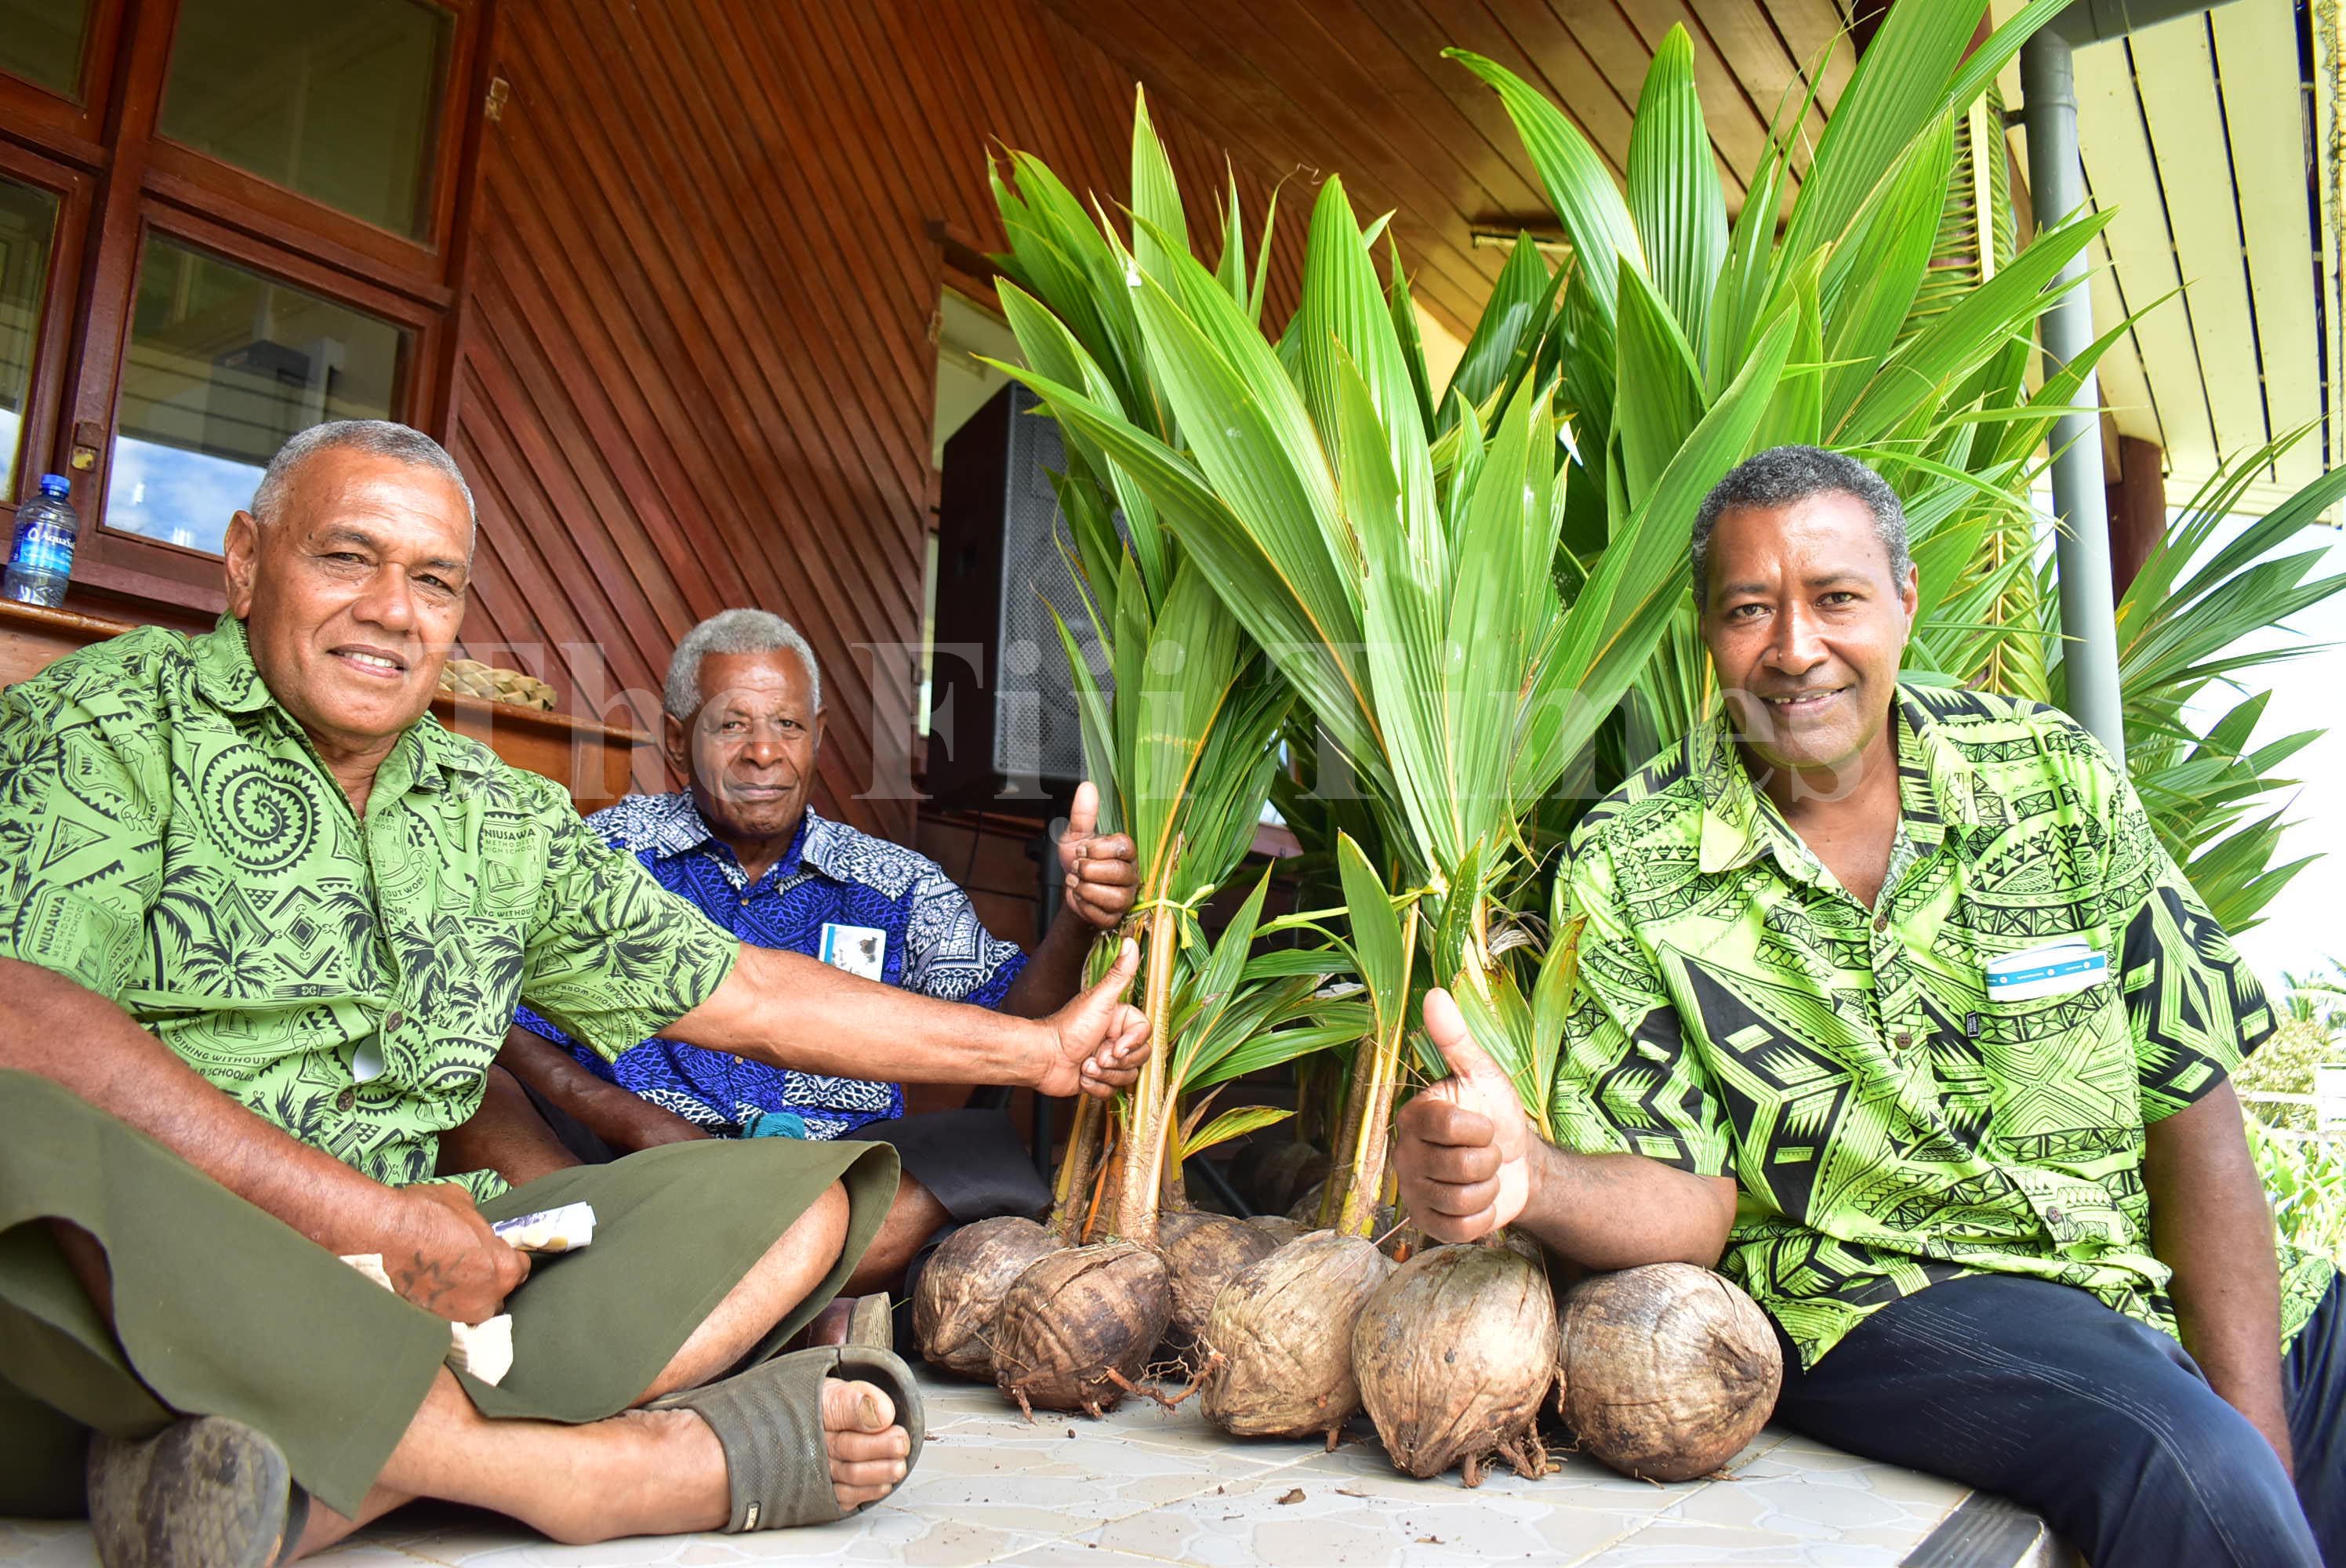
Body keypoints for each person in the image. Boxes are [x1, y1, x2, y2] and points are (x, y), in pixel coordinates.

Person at [0, 420, 1152, 1565]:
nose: (394, 610)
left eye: (435, 581)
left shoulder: (494, 813)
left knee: (809, 1194)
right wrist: (368, 1220)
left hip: (436, 1271)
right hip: (162, 1261)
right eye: (348, 558)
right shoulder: (111, 721)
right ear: (248, 561)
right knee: (26, 1120)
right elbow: (25, 1012)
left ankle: (333, 1470)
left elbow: (743, 991)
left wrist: (1046, 1054)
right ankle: (588, 1470)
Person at [1393, 445, 2344, 1566]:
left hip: (2143, 1275)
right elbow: (1693, 1203)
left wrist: (2263, 1442)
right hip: (1892, 1301)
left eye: (1836, 598)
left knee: (2241, 1443)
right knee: (2181, 1460)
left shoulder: (2051, 779)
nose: (1796, 650)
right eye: (1750, 610)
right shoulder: (1630, 867)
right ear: (1708, 634)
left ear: (1903, 602)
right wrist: (1533, 1178)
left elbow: (2192, 1098)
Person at [443, 608, 1138, 1308]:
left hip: (831, 1181)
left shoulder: (897, 884)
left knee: (977, 1154)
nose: (764, 753)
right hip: (626, 1167)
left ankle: (667, 1290)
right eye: (731, 724)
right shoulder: (607, 854)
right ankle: (787, 1306)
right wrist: (633, 1120)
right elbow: (504, 1019)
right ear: (679, 742)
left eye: (788, 725)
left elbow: (1015, 1017)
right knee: (474, 1095)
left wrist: (1078, 920)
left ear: (818, 735)